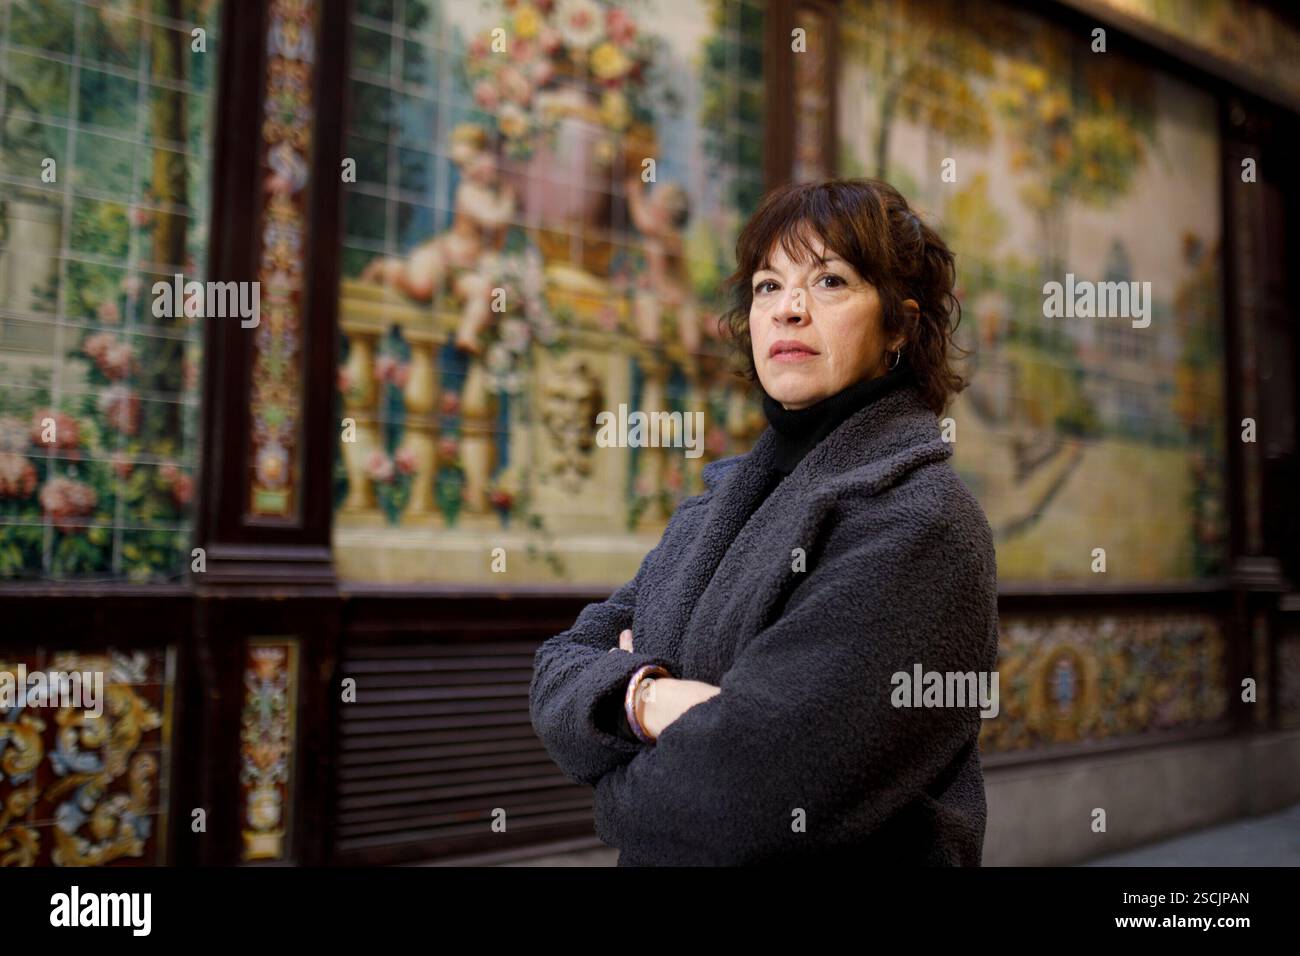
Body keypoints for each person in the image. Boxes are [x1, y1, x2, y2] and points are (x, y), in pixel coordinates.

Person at [529, 178, 999, 866]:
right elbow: (553, 673)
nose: (789, 310)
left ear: (899, 324)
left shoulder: (923, 522)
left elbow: (751, 794)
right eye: (767, 286)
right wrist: (649, 699)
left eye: (830, 281)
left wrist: (615, 782)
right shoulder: (718, 504)